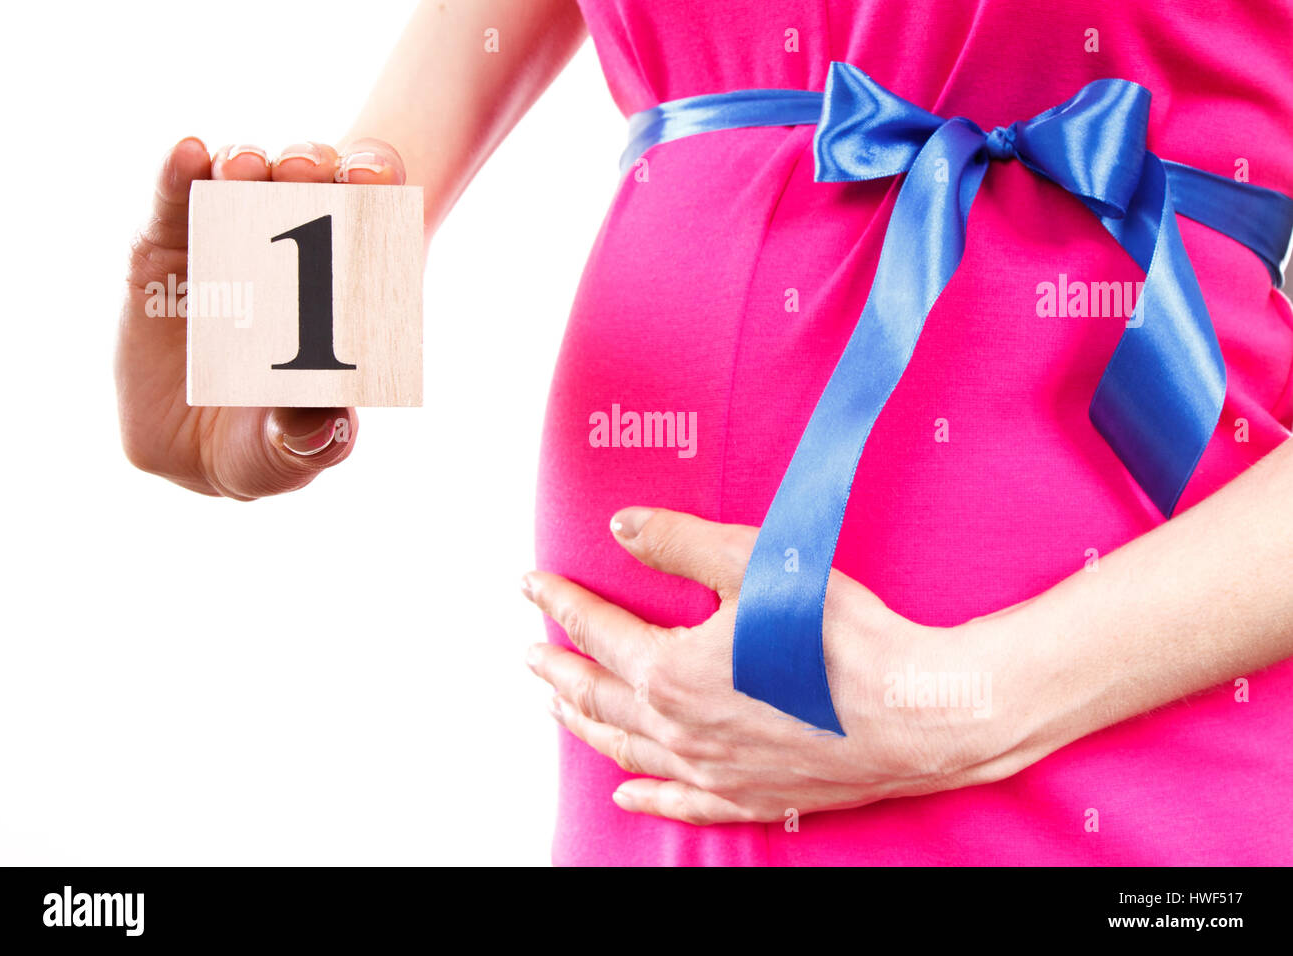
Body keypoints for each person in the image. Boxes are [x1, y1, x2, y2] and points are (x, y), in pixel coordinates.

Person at [117, 0, 1293, 865]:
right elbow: (441, 97)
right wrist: (297, 324)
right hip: (658, 770)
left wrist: (967, 703)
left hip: (1107, 743)